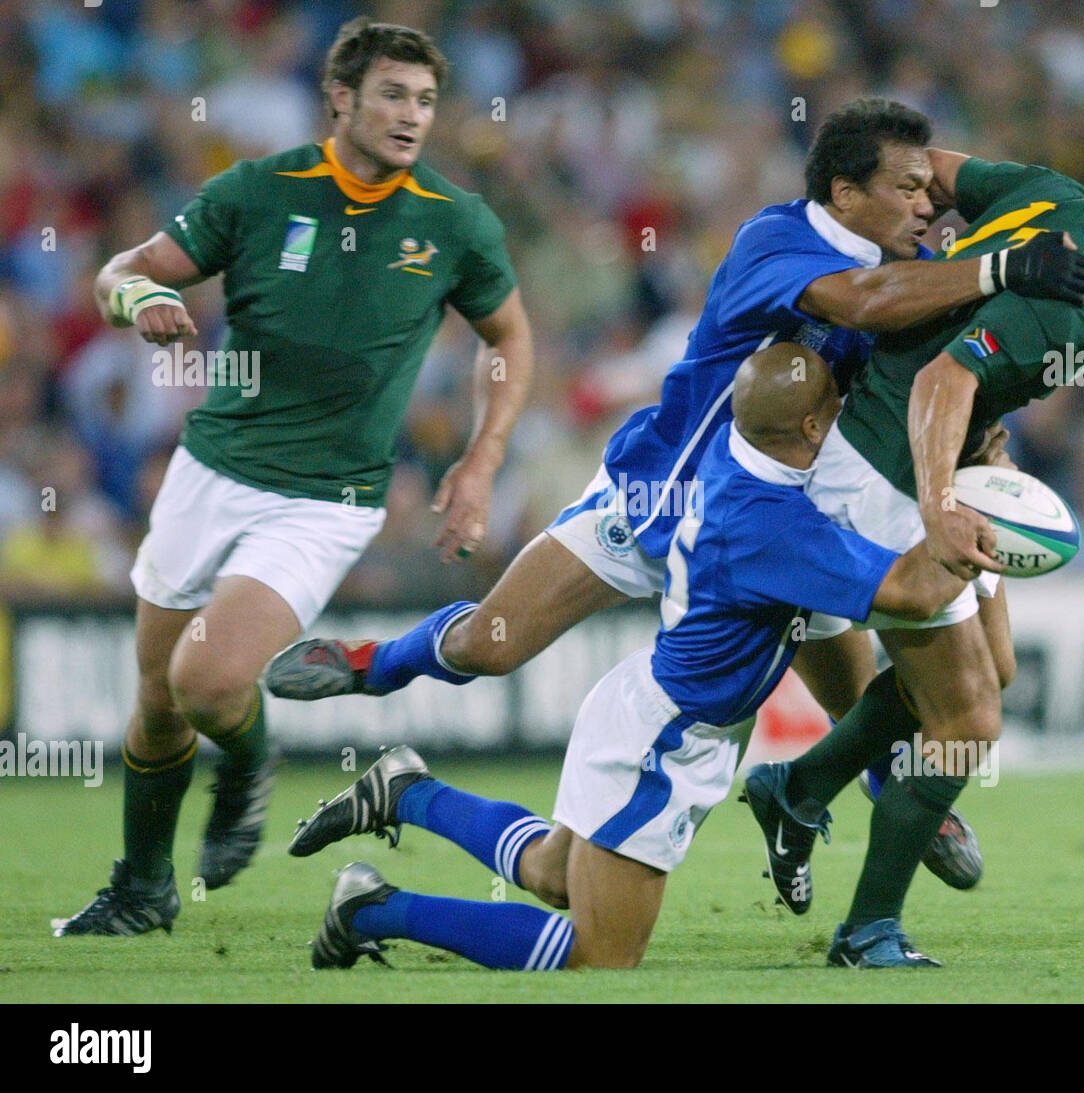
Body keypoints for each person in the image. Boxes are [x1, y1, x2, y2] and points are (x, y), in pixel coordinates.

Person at [267, 98, 1084, 889]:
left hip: (763, 527)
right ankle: (370, 664)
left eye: (932, 188)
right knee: (492, 642)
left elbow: (937, 374)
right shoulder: (775, 241)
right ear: (846, 193)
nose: (929, 206)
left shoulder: (919, 273)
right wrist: (997, 268)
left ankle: (854, 793)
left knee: (856, 693)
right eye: (908, 188)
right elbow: (860, 301)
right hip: (654, 497)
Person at [55, 18, 535, 937]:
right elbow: (124, 272)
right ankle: (144, 887)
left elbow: (510, 337)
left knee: (206, 680)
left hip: (327, 497)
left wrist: (483, 458)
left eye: (427, 100)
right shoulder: (260, 190)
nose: (412, 116)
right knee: (157, 702)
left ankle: (249, 758)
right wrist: (147, 296)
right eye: (394, 95)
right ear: (342, 98)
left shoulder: (453, 221)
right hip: (210, 468)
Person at [294, 342, 967, 971]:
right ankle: (373, 909)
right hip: (663, 741)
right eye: (837, 410)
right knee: (602, 951)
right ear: (815, 429)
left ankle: (410, 794)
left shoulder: (741, 462)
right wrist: (977, 518)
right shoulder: (773, 527)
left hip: (661, 713)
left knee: (556, 874)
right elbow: (912, 590)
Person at [746, 119, 1084, 964]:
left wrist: (930, 248)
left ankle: (799, 785)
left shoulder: (1054, 193)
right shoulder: (1080, 304)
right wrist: (938, 504)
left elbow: (930, 169)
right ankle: (869, 931)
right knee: (969, 714)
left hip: (910, 457)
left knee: (992, 669)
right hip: (886, 475)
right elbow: (948, 376)